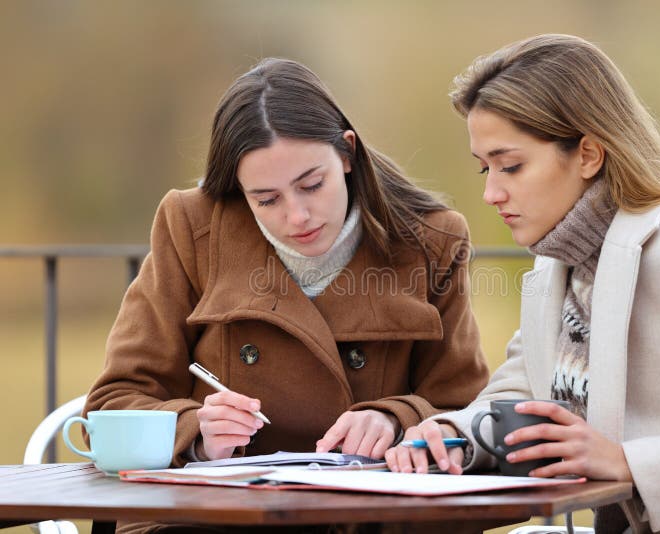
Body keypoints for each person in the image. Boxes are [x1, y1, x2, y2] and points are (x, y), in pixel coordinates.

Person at [385, 34, 660, 533]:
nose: (491, 192)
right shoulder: (558, 265)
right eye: (485, 168)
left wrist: (628, 462)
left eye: (510, 165)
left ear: (588, 154)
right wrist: (450, 433)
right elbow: (518, 396)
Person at [84, 57, 489, 533]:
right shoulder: (191, 226)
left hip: (369, 517)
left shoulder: (431, 240)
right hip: (210, 520)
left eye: (311, 185)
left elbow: (465, 409)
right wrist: (196, 431)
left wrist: (395, 418)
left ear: (347, 154)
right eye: (266, 199)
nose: (297, 217)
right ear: (238, 189)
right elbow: (114, 403)